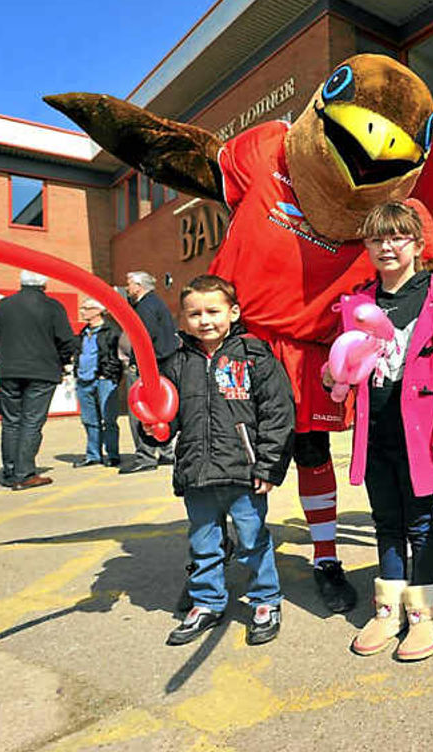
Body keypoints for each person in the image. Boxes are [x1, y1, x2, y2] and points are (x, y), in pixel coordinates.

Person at [327, 201, 433, 661]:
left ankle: (428, 614)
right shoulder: (358, 303)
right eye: (376, 238)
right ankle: (389, 610)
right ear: (367, 246)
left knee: (421, 522)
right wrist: (331, 378)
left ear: (417, 244)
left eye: (397, 237)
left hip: (423, 436)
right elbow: (344, 363)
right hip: (376, 433)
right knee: (385, 520)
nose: (387, 246)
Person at [142, 274, 294, 646]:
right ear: (183, 318)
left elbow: (279, 413)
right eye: (194, 313)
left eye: (213, 311)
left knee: (252, 539)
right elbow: (167, 413)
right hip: (197, 472)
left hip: (244, 473)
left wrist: (269, 464)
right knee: (204, 542)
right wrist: (154, 427)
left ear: (233, 312)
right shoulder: (177, 363)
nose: (204, 320)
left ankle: (265, 600)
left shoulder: (255, 355)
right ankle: (207, 601)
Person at [0, 270, 76, 489]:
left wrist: (3, 357)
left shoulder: (3, 305)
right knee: (32, 422)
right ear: (44, 283)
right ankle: (24, 473)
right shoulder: (53, 306)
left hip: (9, 371)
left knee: (10, 421)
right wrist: (61, 361)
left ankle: (10, 470)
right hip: (42, 372)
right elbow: (66, 340)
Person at [123, 271, 179, 474]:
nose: (127, 288)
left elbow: (143, 339)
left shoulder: (145, 307)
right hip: (161, 365)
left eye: (129, 284)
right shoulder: (156, 303)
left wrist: (137, 366)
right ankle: (165, 451)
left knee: (141, 409)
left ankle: (145, 456)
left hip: (148, 367)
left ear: (139, 286)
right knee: (160, 410)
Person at [73, 297, 122, 468]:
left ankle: (113, 454)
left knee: (108, 420)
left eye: (86, 308)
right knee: (89, 420)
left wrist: (108, 374)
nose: (82, 311)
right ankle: (93, 455)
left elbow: (118, 356)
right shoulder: (83, 332)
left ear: (98, 310)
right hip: (83, 380)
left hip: (104, 380)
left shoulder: (112, 331)